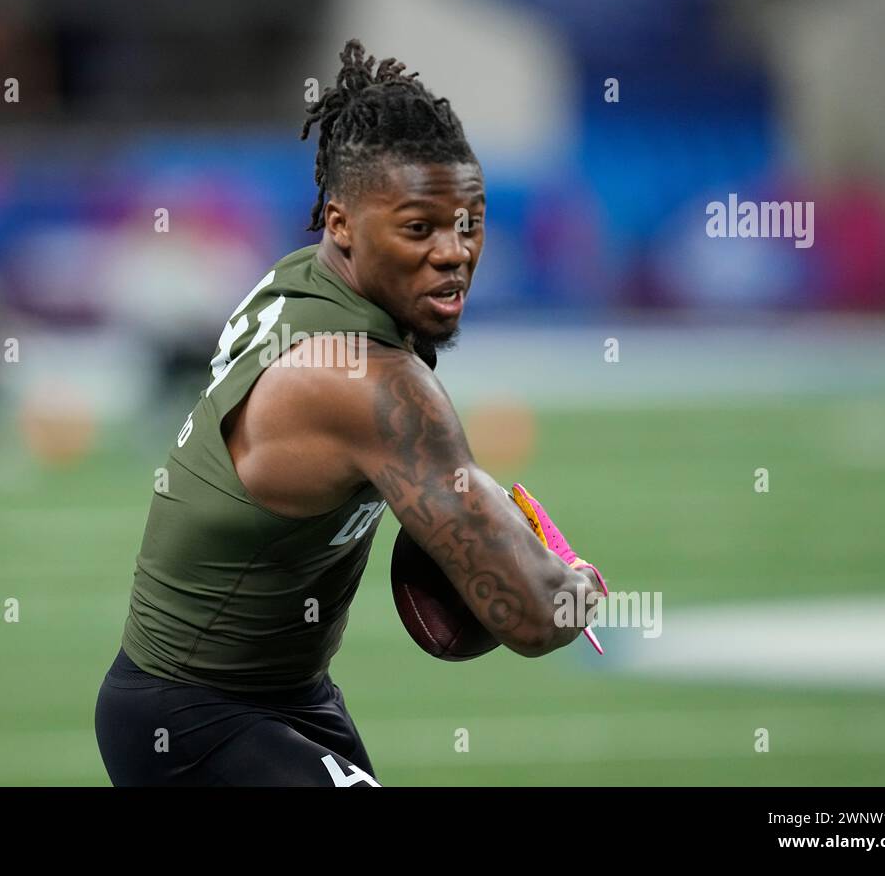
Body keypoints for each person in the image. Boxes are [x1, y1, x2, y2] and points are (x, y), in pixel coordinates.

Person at [96, 39, 603, 786]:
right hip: (195, 718)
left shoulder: (303, 279)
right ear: (341, 222)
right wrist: (581, 585)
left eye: (469, 222)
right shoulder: (369, 384)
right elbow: (531, 617)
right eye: (419, 227)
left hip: (283, 695)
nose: (454, 253)